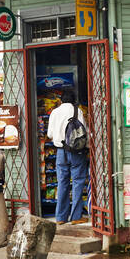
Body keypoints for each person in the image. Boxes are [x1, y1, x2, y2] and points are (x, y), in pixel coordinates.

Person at [46, 89, 89, 223]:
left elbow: (50, 134)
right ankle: (76, 217)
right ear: (73, 100)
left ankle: (60, 217)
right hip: (76, 152)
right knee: (77, 182)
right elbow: (84, 132)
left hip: (60, 152)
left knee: (62, 183)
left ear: (61, 100)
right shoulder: (78, 111)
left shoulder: (55, 112)